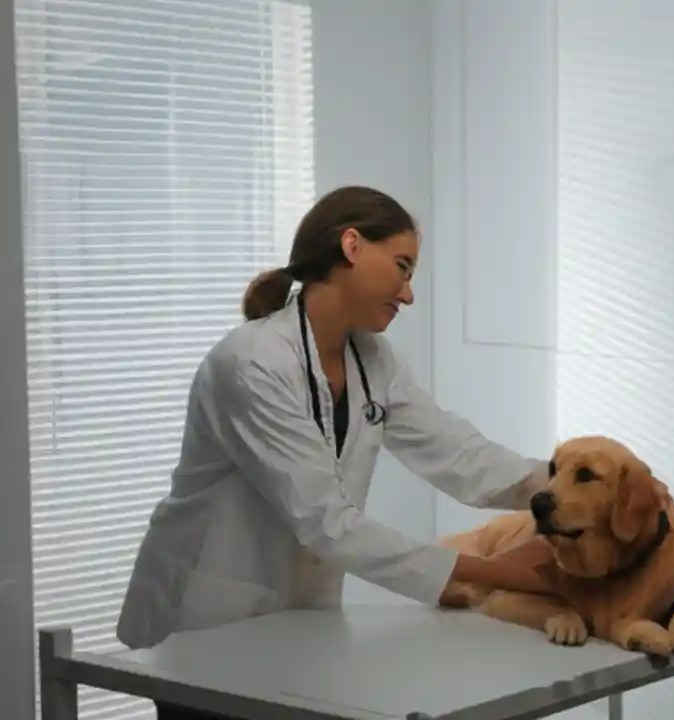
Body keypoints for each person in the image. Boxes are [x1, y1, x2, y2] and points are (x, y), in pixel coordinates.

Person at [116, 186, 558, 719]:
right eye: (402, 267)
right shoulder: (251, 363)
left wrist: (570, 484)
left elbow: (460, 456)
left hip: (298, 624)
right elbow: (326, 520)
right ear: (351, 245)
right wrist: (496, 571)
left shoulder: (375, 361)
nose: (409, 293)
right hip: (207, 620)